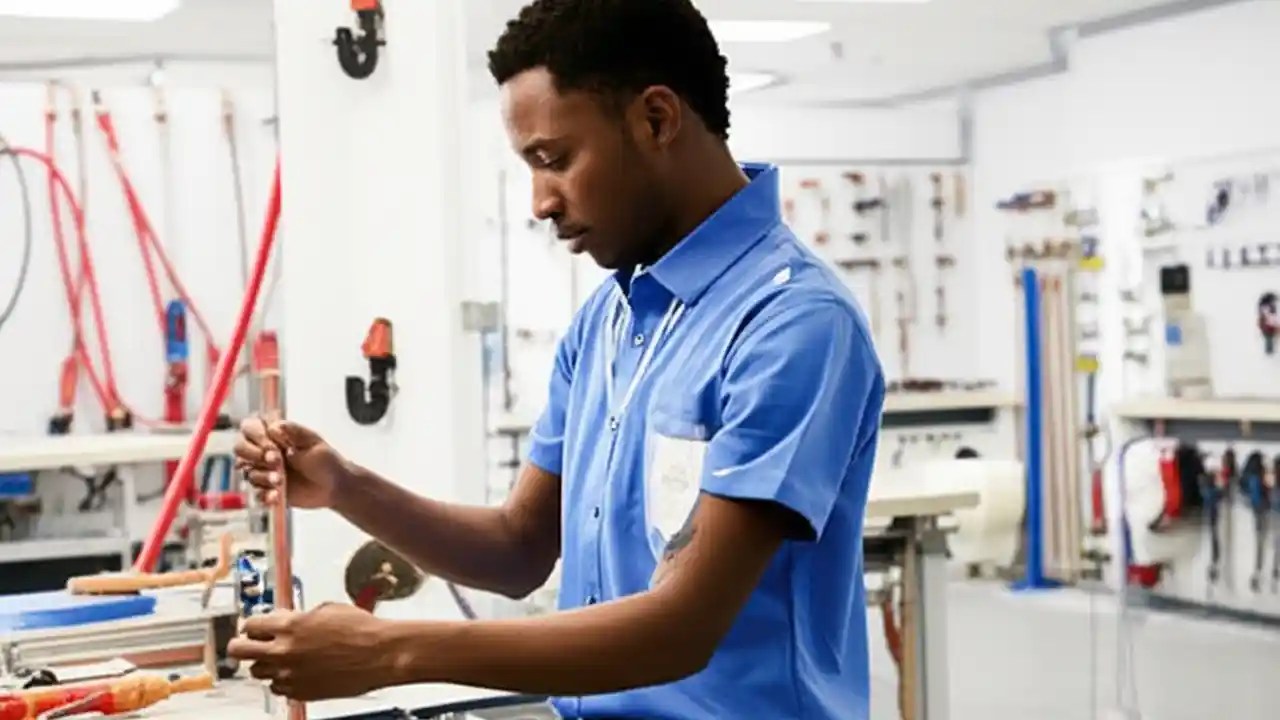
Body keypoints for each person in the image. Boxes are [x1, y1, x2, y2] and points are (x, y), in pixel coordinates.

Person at [227, 0, 885, 718]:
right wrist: (345, 485)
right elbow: (518, 550)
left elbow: (682, 628)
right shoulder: (607, 321)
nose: (540, 201)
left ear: (657, 120)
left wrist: (388, 652)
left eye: (555, 159)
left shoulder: (790, 324)